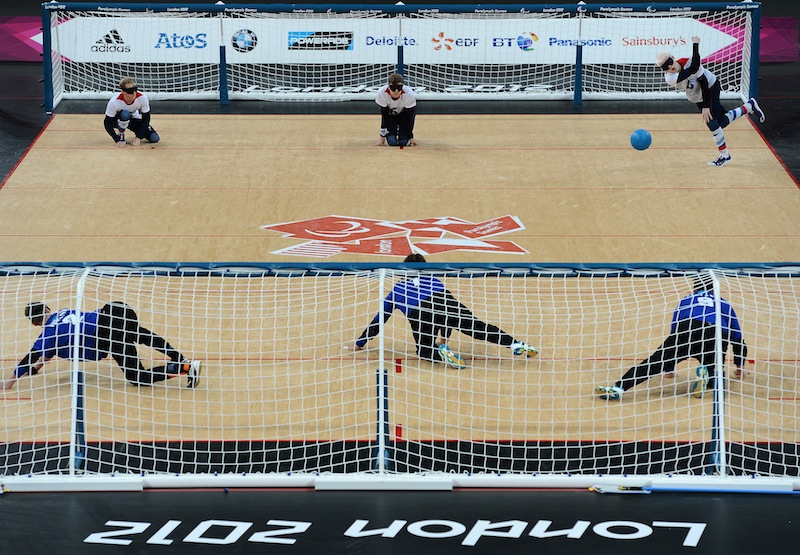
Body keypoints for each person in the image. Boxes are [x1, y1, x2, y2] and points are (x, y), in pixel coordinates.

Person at [354, 254, 538, 368]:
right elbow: (444, 309)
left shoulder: (397, 289)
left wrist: (361, 341)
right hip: (447, 303)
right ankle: (515, 344)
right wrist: (445, 337)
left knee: (424, 352)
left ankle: (440, 354)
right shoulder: (434, 280)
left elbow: (380, 319)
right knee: (480, 328)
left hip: (420, 313)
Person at [595, 273, 749, 402]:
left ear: (695, 288)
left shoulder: (686, 300)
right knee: (717, 379)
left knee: (654, 362)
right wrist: (739, 366)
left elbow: (674, 329)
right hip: (715, 335)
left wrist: (668, 367)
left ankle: (619, 387)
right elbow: (736, 336)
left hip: (687, 330)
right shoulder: (723, 303)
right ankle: (706, 374)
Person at [2, 301, 201, 390]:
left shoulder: (46, 336)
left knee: (137, 378)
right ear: (47, 308)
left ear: (34, 323)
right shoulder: (61, 312)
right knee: (143, 336)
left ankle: (185, 368)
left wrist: (9, 383)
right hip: (115, 309)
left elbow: (31, 357)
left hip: (107, 333)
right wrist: (36, 369)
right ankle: (181, 358)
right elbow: (47, 354)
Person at [656, 36, 765, 167]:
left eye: (672, 67)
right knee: (720, 122)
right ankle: (748, 106)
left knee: (713, 124)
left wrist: (706, 106)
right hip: (697, 95)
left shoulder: (689, 61)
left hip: (710, 87)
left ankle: (725, 155)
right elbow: (691, 70)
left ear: (673, 58)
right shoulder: (670, 77)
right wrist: (695, 45)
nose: (672, 70)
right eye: (669, 69)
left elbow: (703, 81)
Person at [103, 77, 160, 148]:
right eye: (130, 91)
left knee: (154, 138)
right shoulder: (114, 102)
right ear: (123, 92)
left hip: (133, 119)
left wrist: (138, 137)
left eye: (135, 89)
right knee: (125, 114)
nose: (134, 93)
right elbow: (107, 123)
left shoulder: (142, 98)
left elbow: (146, 118)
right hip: (118, 120)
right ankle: (121, 133)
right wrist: (117, 140)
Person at [376, 73, 417, 147]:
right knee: (392, 142)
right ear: (388, 87)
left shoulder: (409, 94)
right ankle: (394, 130)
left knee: (403, 142)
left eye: (399, 87)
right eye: (393, 88)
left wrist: (411, 136)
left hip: (404, 116)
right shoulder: (382, 93)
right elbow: (384, 115)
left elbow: (409, 117)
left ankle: (402, 131)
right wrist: (382, 136)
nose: (396, 91)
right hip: (390, 116)